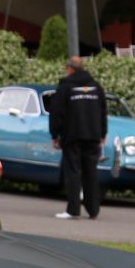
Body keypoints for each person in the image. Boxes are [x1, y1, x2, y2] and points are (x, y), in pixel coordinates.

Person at [49, 55, 108, 220]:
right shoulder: (96, 87)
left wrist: (55, 134)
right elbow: (103, 111)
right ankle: (93, 209)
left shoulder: (65, 86)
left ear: (69, 69)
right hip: (93, 135)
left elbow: (57, 112)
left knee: (73, 172)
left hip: (72, 135)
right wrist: (102, 133)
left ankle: (73, 210)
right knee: (91, 172)